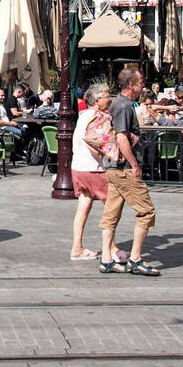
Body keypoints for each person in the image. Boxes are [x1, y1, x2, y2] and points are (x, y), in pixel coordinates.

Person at [99, 69, 161, 276]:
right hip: (124, 169)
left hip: (113, 169)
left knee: (111, 214)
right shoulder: (124, 106)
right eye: (141, 81)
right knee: (146, 211)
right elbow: (121, 138)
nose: (144, 85)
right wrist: (135, 165)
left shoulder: (116, 103)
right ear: (132, 84)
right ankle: (135, 259)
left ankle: (106, 260)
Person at [70, 82, 114, 262]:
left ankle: (77, 247)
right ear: (97, 100)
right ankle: (112, 248)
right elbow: (95, 143)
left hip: (78, 166)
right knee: (112, 208)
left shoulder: (83, 115)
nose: (110, 99)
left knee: (84, 206)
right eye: (107, 96)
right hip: (93, 168)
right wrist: (110, 154)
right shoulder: (99, 116)